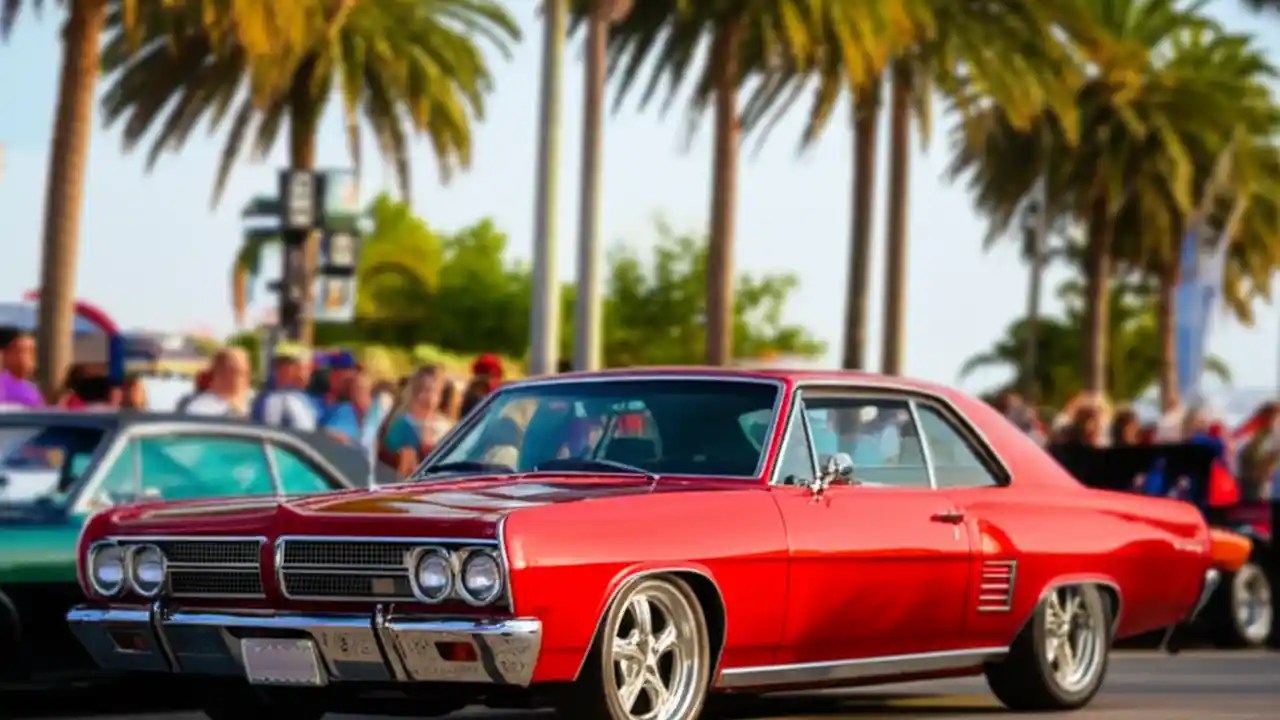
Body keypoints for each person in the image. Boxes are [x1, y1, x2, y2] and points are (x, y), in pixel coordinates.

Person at [381, 366, 454, 477]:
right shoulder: (402, 425)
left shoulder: (445, 425)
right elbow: (404, 471)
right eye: (426, 390)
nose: (431, 396)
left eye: (436, 391)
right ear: (415, 391)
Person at [253, 344, 317, 431]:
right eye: (307, 367)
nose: (310, 372)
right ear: (289, 369)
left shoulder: (301, 397)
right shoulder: (279, 400)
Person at [322, 369, 384, 455]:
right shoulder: (344, 410)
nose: (357, 393)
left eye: (362, 389)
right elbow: (327, 432)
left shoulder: (375, 415)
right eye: (354, 389)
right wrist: (347, 440)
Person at [183, 347, 252, 417]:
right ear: (217, 374)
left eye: (244, 372)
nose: (240, 377)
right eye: (233, 371)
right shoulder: (202, 408)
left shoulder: (252, 403)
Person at [0, 330, 45, 408]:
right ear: (5, 353)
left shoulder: (32, 390)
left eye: (31, 352)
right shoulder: (3, 387)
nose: (26, 358)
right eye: (21, 351)